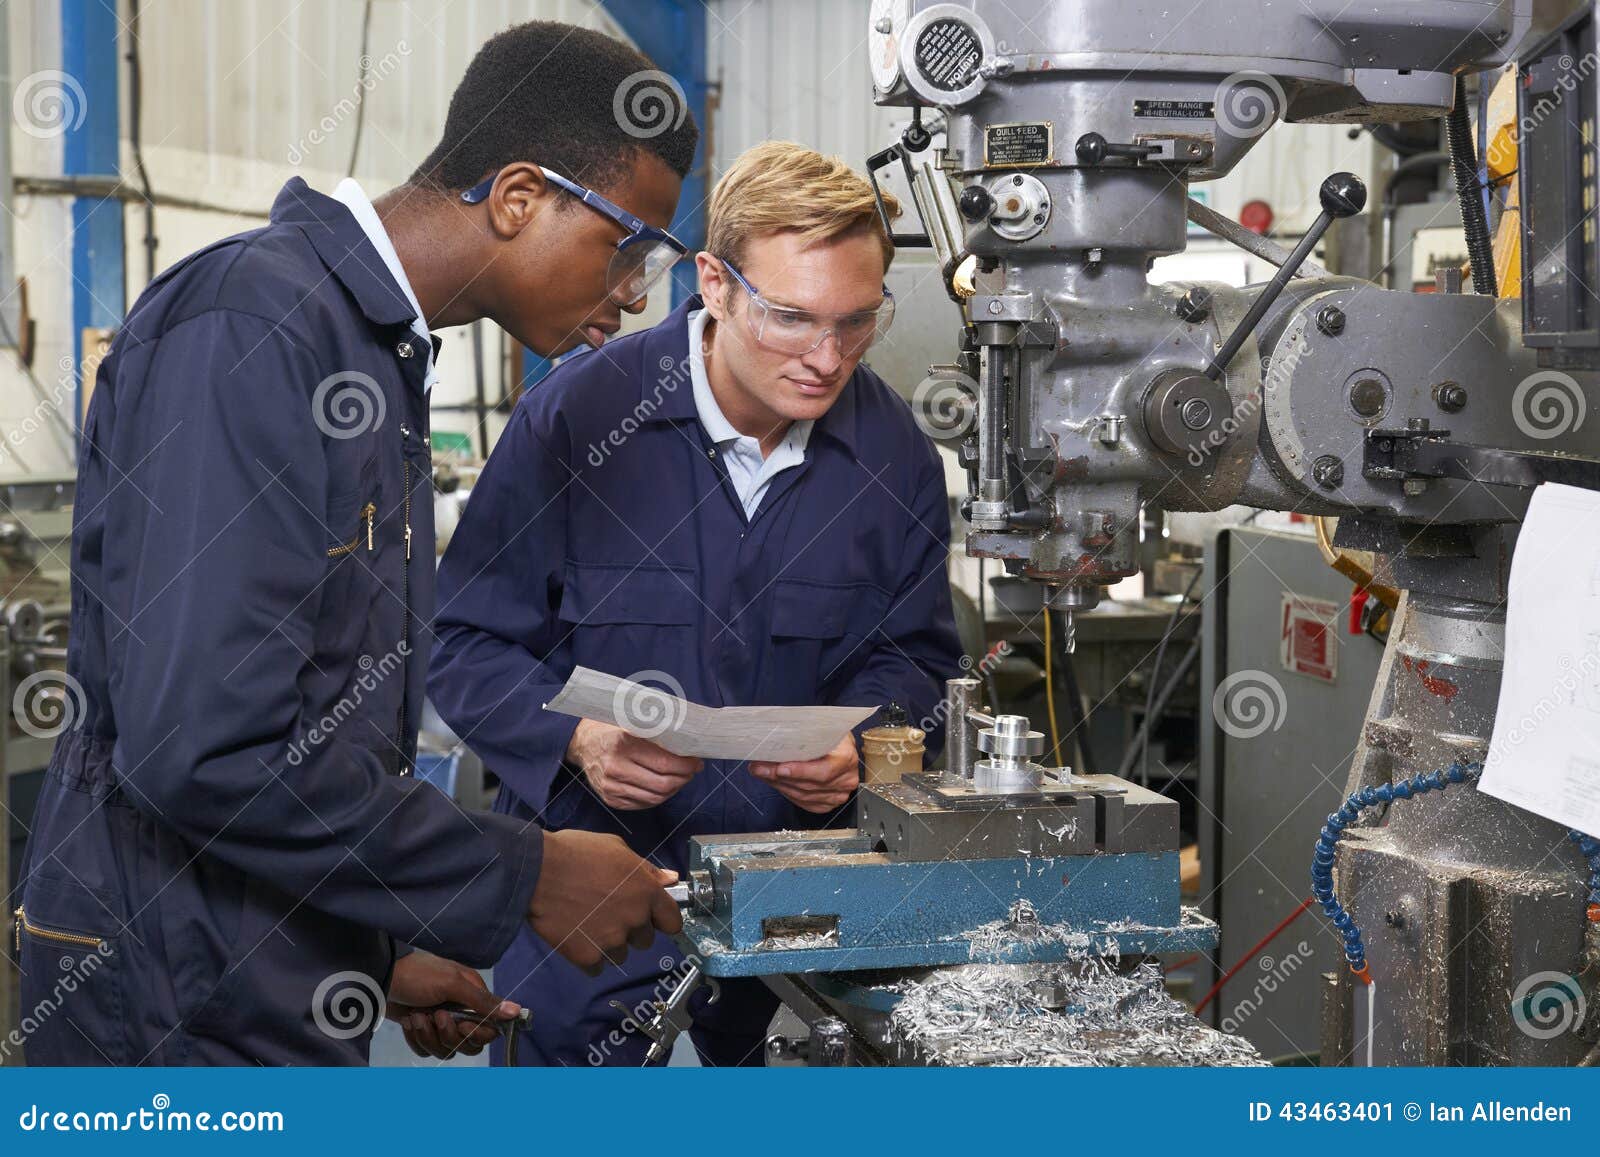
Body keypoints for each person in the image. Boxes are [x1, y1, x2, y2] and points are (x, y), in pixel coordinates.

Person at [14, 21, 697, 1067]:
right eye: (628, 246)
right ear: (520, 196)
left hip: (252, 959)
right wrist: (525, 872)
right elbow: (203, 749)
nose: (637, 292)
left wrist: (373, 951)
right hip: (165, 1000)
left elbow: (307, 723)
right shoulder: (254, 327)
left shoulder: (375, 358)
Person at [429, 140, 965, 1066]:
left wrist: (868, 744)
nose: (827, 358)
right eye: (792, 318)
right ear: (715, 284)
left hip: (805, 899)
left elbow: (918, 658)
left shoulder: (894, 455)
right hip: (597, 890)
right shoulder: (578, 421)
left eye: (857, 322)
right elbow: (466, 641)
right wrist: (578, 739)